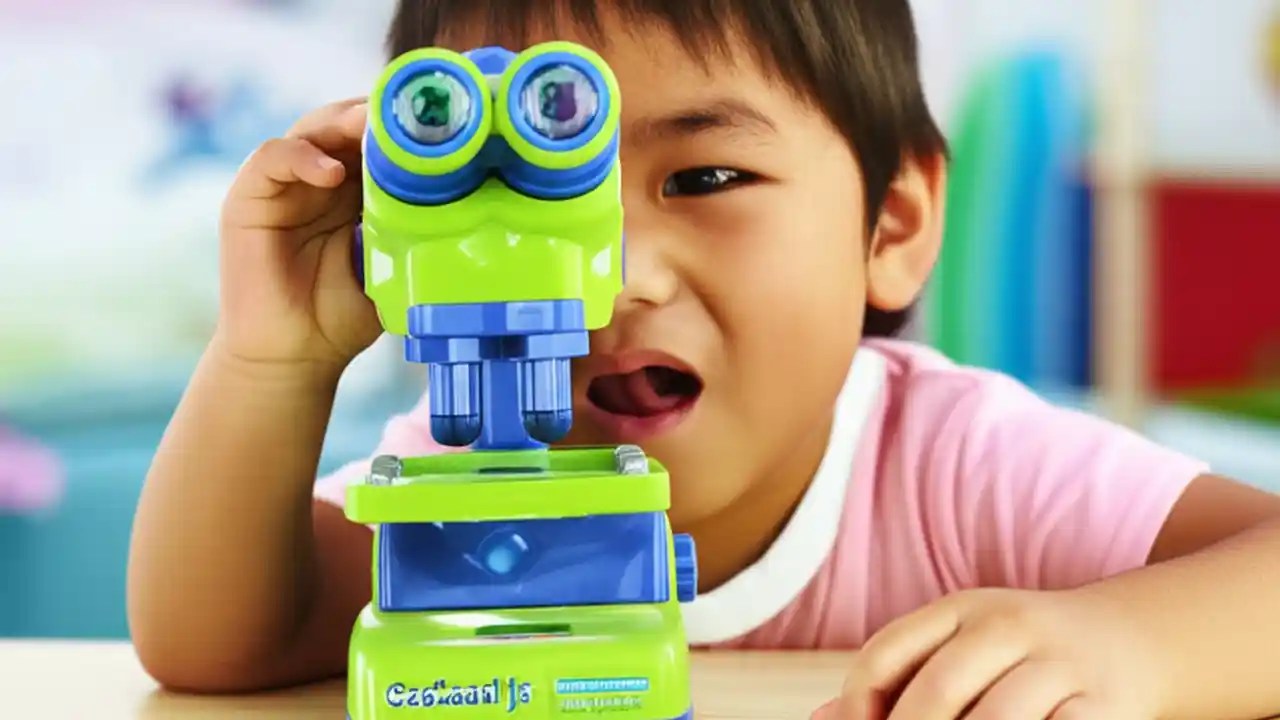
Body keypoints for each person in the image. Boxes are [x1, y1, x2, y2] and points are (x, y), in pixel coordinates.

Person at [127, 1, 1280, 717]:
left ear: (889, 225)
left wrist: (1130, 648)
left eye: (704, 180)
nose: (616, 275)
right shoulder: (465, 462)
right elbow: (216, 647)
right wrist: (271, 363)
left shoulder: (960, 465)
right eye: (511, 193)